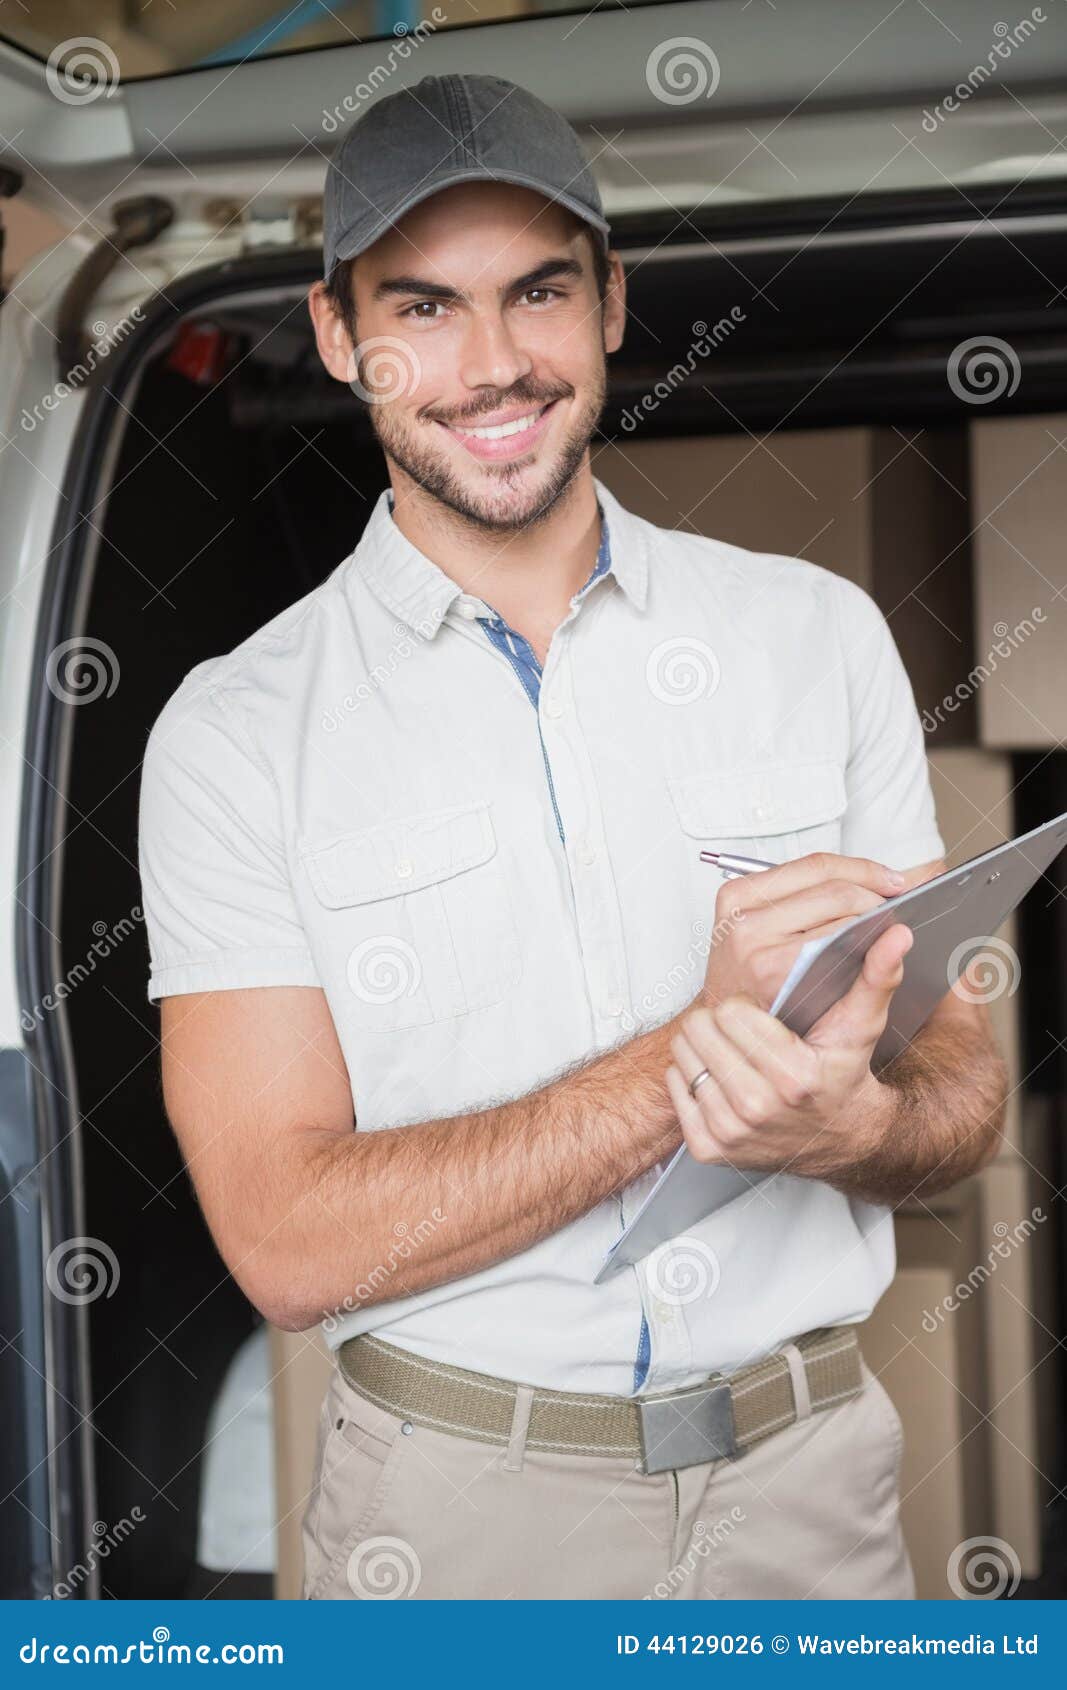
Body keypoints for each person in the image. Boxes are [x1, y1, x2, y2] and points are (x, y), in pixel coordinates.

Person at [138, 73, 1008, 1602]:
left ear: (611, 305)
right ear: (342, 338)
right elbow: (285, 1240)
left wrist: (862, 1130)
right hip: (462, 1521)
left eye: (538, 291)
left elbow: (956, 1072)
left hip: (813, 1493)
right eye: (424, 306)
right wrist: (699, 1058)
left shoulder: (815, 635)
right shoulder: (235, 733)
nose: (491, 366)